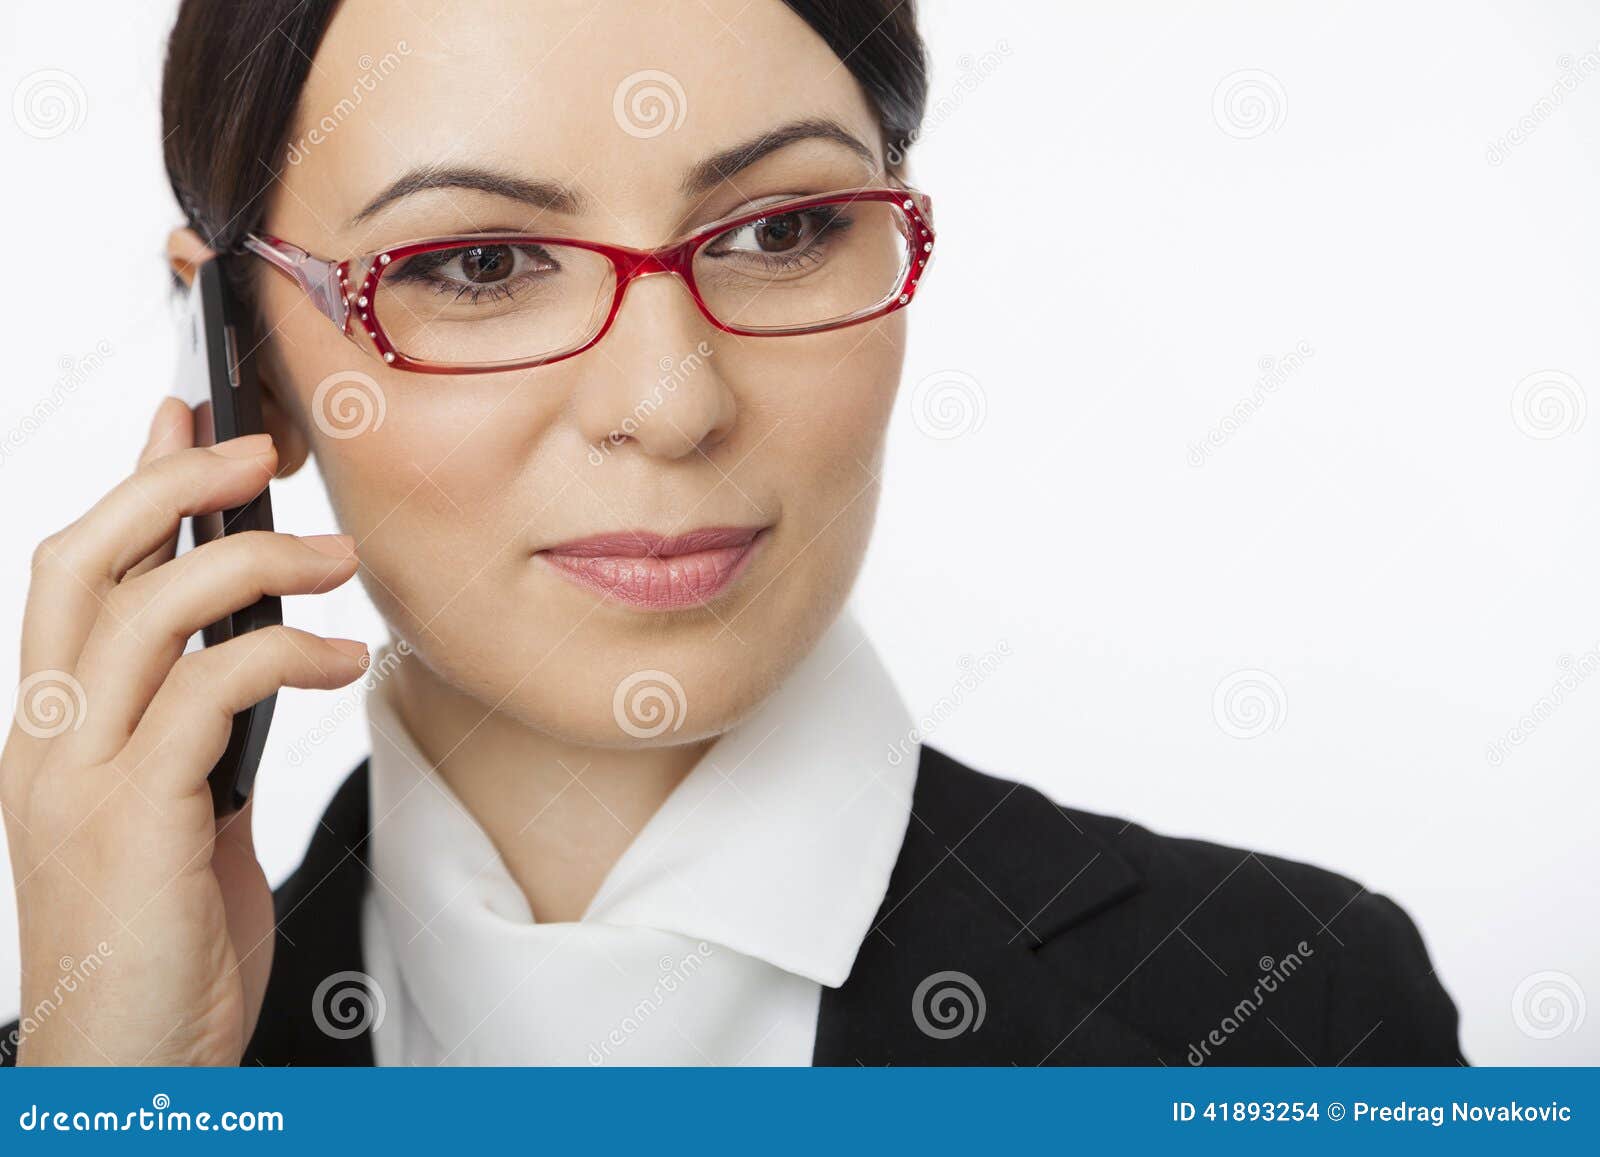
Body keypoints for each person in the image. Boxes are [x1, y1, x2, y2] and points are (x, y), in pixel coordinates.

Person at [1, 0, 1462, 1066]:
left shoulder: (1295, 1014)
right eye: (479, 261)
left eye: (783, 231)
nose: (670, 401)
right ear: (236, 351)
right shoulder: (123, 1074)